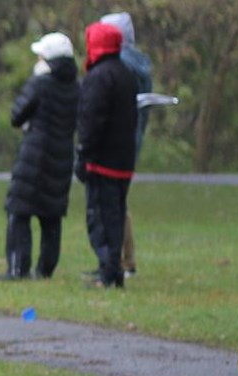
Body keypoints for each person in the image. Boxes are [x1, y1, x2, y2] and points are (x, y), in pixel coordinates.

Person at [0, 32, 79, 281]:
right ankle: (45, 271)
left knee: (19, 211)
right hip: (63, 155)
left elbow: (16, 115)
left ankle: (17, 269)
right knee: (51, 215)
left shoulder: (40, 83)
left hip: (34, 155)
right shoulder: (78, 86)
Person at [75, 21, 137, 289]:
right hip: (123, 162)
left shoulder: (99, 77)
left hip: (102, 164)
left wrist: (84, 155)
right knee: (116, 215)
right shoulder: (126, 74)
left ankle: (108, 273)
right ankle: (114, 271)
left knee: (101, 219)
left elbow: (91, 122)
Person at [101, 12, 153, 278]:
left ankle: (121, 260)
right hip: (130, 140)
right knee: (119, 201)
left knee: (114, 202)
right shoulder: (138, 64)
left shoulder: (122, 66)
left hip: (119, 143)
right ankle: (122, 258)